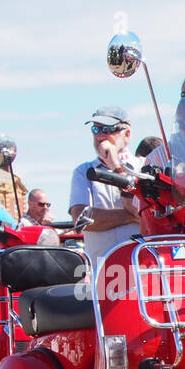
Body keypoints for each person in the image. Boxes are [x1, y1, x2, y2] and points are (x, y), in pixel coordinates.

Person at [68, 106, 141, 266]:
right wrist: (130, 216)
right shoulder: (83, 172)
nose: (100, 136)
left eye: (108, 129)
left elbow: (141, 212)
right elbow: (81, 220)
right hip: (103, 269)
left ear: (127, 134)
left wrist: (116, 166)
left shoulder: (142, 168)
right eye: (96, 129)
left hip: (140, 267)